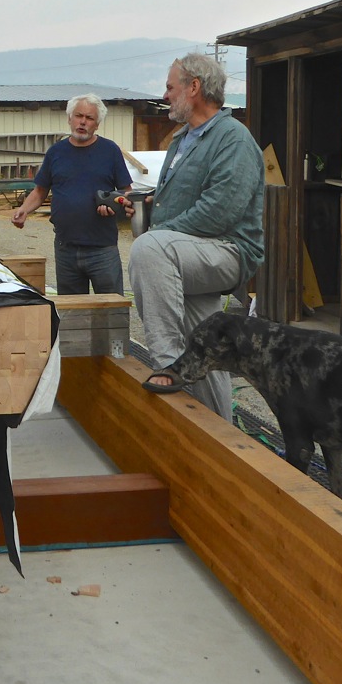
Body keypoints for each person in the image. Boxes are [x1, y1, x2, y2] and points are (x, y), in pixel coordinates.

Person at [126, 53, 264, 422]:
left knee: (149, 249)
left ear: (194, 87)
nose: (166, 95)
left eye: (171, 87)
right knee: (205, 347)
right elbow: (185, 198)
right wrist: (149, 207)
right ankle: (223, 436)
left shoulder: (233, 138)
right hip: (189, 253)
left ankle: (169, 363)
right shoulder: (182, 140)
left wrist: (158, 235)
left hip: (228, 251)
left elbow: (221, 210)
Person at [12, 93, 133, 295]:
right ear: (69, 118)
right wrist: (24, 210)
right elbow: (41, 190)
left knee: (112, 313)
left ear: (97, 124)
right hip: (65, 249)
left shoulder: (110, 151)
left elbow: (126, 193)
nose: (83, 122)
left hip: (102, 249)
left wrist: (113, 206)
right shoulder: (56, 152)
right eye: (79, 116)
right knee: (72, 317)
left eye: (89, 118)